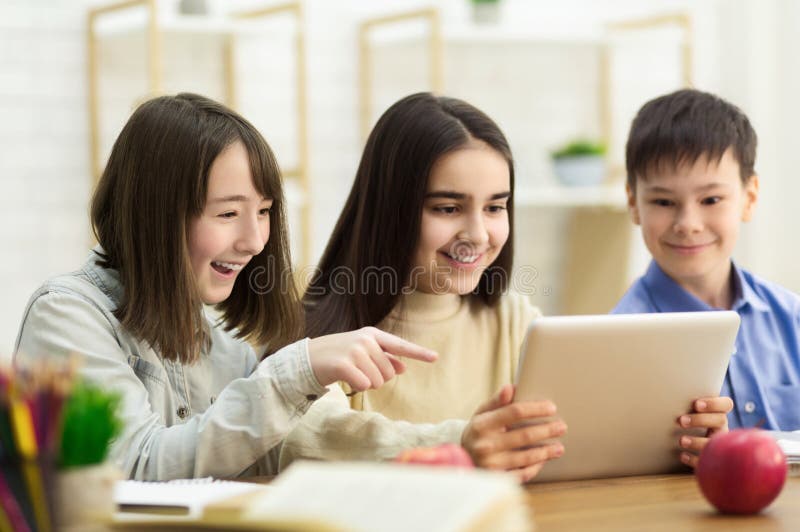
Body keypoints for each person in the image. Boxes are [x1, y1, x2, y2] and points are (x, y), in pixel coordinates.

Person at [13, 93, 438, 481]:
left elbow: (290, 444)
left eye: (264, 211)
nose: (255, 241)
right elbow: (135, 468)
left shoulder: (227, 348)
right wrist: (296, 370)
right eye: (228, 214)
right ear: (154, 217)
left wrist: (450, 443)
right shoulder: (66, 316)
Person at [281, 92, 570, 482]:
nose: (478, 235)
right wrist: (458, 446)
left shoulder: (515, 320)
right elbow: (308, 437)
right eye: (448, 208)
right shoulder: (318, 330)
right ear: (389, 211)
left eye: (494, 207)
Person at [613, 88, 800, 463]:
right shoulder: (619, 342)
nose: (688, 224)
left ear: (749, 197)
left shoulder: (791, 317)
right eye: (663, 202)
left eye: (711, 200)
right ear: (634, 202)